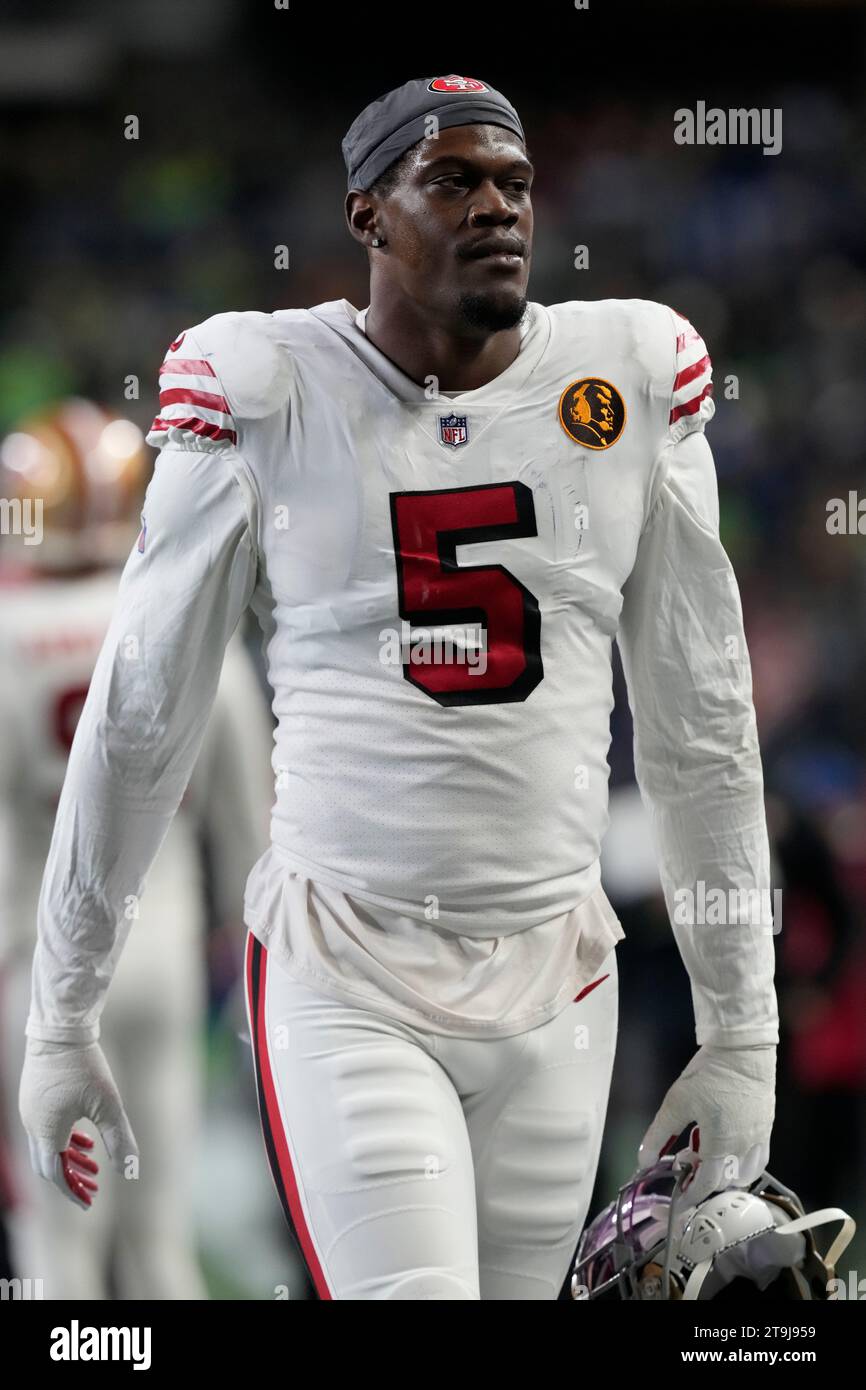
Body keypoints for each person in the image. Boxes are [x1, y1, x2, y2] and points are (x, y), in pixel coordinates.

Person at [18, 74, 778, 1301]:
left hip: (559, 974)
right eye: (455, 181)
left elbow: (704, 726)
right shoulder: (264, 388)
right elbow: (140, 717)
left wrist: (740, 1026)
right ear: (367, 214)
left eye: (516, 184)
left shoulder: (628, 375)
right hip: (347, 966)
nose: (497, 208)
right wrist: (63, 1009)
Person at [1, 401, 272, 1297]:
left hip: (34, 964)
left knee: (60, 1246)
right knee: (160, 1243)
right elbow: (253, 842)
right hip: (160, 951)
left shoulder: (6, 640)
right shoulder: (187, 626)